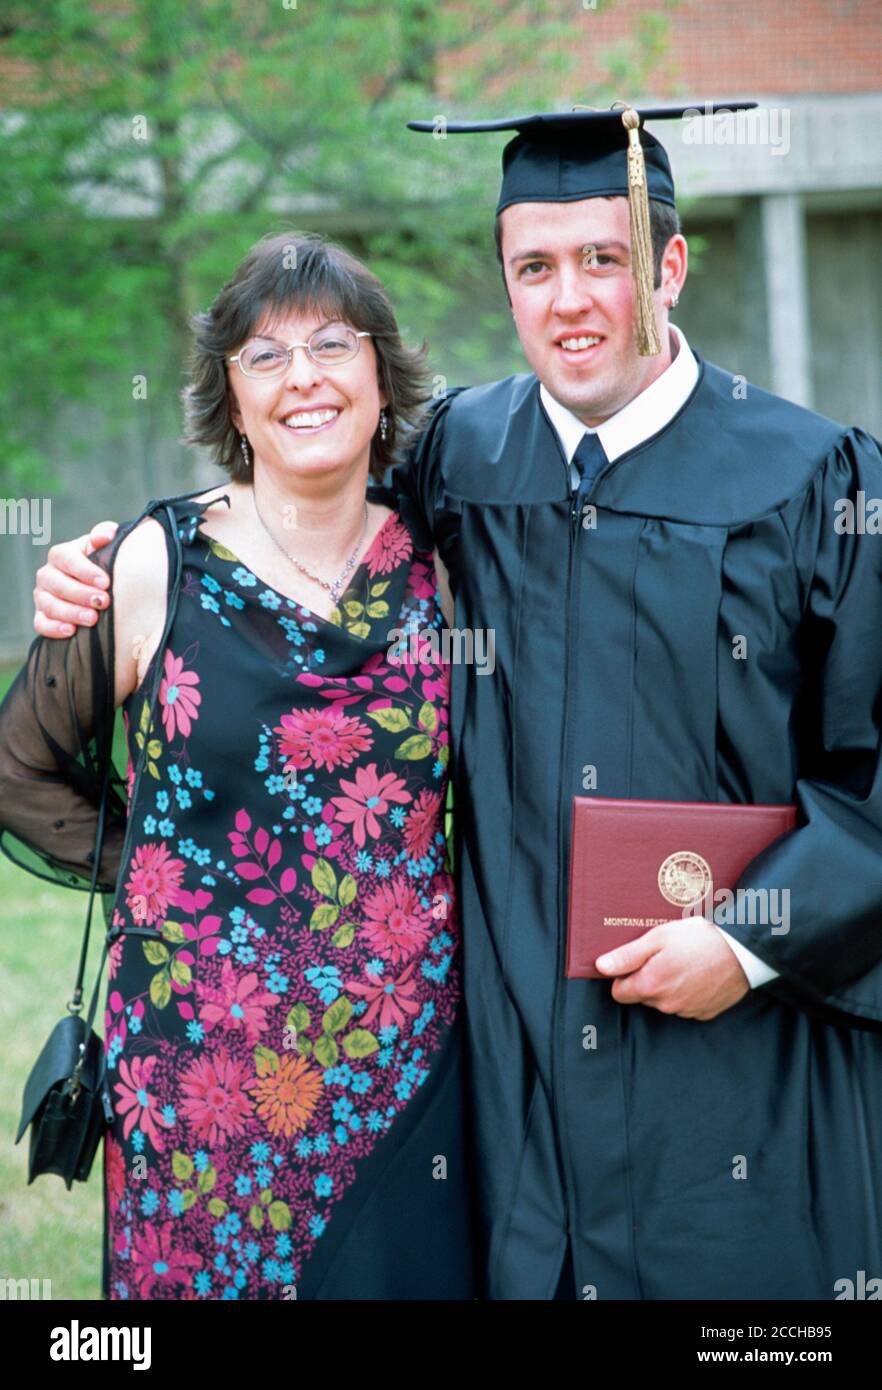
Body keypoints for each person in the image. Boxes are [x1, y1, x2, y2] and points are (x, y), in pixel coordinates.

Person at [30, 103, 882, 1301]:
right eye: (536, 266)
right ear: (506, 282)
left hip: (736, 1052)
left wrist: (750, 941)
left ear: (671, 266)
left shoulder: (812, 478)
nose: (571, 299)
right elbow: (305, 509)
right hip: (511, 1049)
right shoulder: (466, 459)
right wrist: (119, 561)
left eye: (606, 260)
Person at [0, 230, 478, 1301]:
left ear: (381, 372)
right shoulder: (153, 562)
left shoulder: (443, 574)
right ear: (229, 392)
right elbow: (18, 770)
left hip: (402, 1067)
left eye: (332, 345)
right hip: (195, 1070)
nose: (303, 377)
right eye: (265, 355)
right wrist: (170, 878)